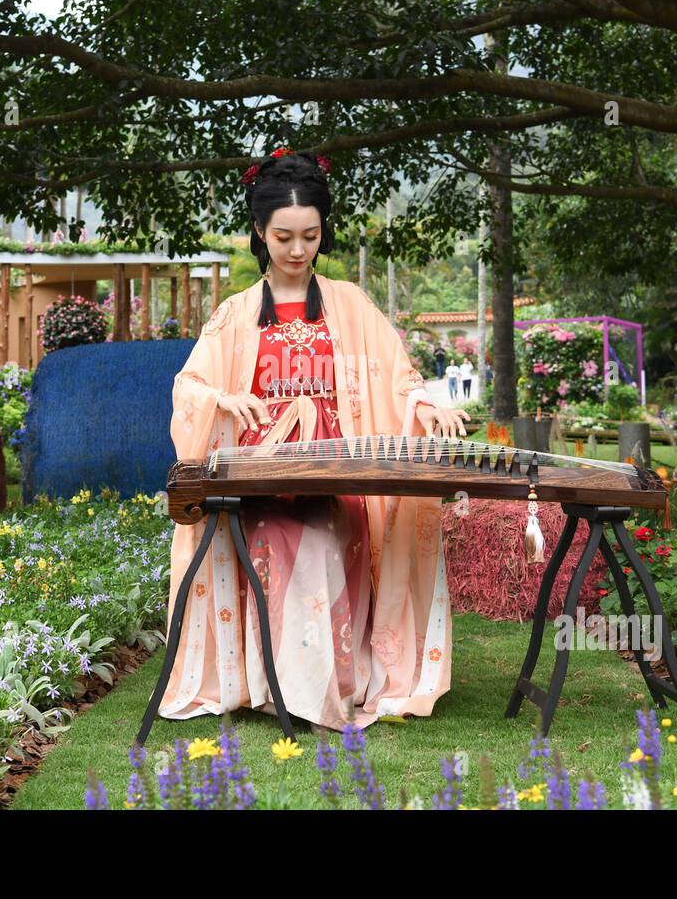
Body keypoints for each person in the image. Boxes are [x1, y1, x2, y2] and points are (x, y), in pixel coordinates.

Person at [165, 149, 470, 731]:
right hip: (263, 480)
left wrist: (427, 406)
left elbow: (399, 375)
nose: (298, 250)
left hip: (337, 474)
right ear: (260, 232)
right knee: (286, 542)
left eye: (309, 235)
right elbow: (190, 385)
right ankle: (288, 691)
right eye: (283, 237)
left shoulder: (350, 304)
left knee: (328, 541)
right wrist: (219, 401)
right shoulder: (233, 315)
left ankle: (319, 688)